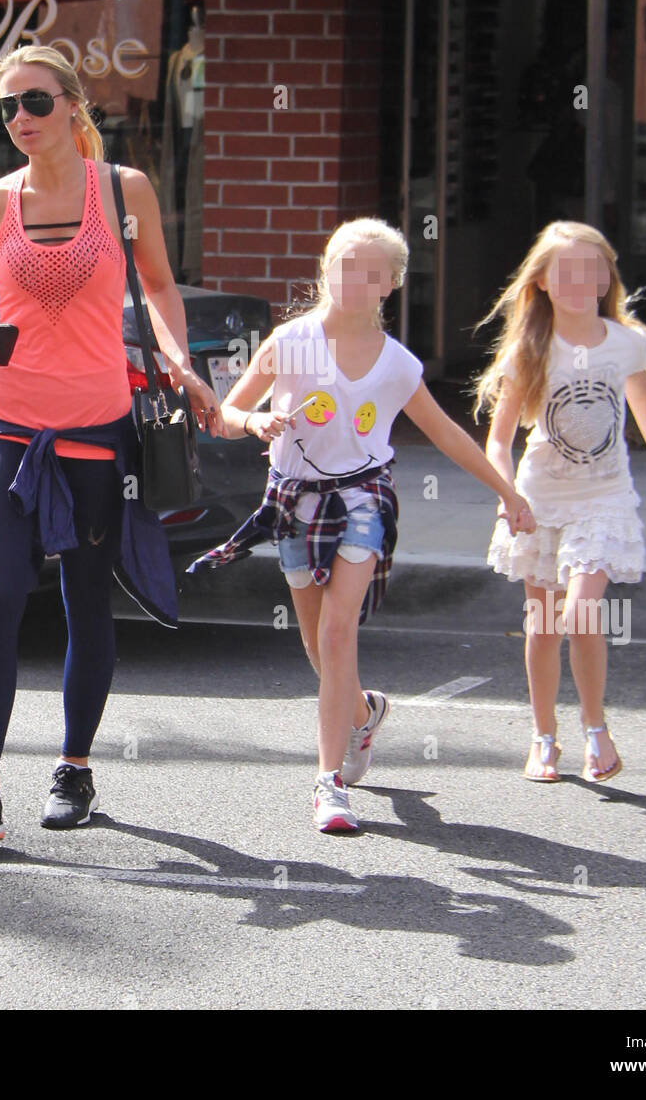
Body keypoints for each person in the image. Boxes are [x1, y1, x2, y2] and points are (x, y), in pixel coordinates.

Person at [0, 44, 221, 843]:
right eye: (6, 108)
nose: (20, 120)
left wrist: (180, 364)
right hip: (10, 421)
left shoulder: (122, 191)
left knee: (85, 599)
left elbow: (160, 286)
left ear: (71, 105)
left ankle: (75, 769)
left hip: (98, 426)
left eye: (35, 102)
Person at [187, 219, 534, 833]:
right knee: (319, 642)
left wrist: (507, 492)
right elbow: (223, 414)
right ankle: (363, 712)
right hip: (294, 499)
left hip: (363, 499)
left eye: (372, 272)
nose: (356, 278)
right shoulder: (290, 343)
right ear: (326, 269)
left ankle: (328, 784)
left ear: (391, 286)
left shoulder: (397, 365)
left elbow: (448, 433)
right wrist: (256, 422)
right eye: (346, 264)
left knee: (339, 630)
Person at [474, 221, 646, 785]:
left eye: (591, 271)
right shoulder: (532, 348)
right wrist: (507, 495)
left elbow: (643, 403)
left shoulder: (626, 342)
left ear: (606, 278)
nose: (579, 281)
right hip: (539, 498)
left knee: (582, 610)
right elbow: (498, 440)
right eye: (565, 272)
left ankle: (596, 728)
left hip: (605, 496)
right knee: (544, 625)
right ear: (541, 282)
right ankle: (545, 738)